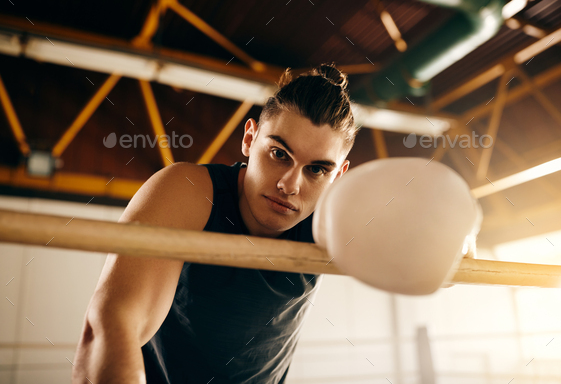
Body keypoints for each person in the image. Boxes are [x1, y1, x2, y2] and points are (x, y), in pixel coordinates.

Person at [72, 63, 359, 384]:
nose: (290, 185)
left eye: (317, 170)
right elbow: (112, 327)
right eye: (279, 154)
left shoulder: (335, 221)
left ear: (338, 176)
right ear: (250, 138)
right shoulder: (187, 193)